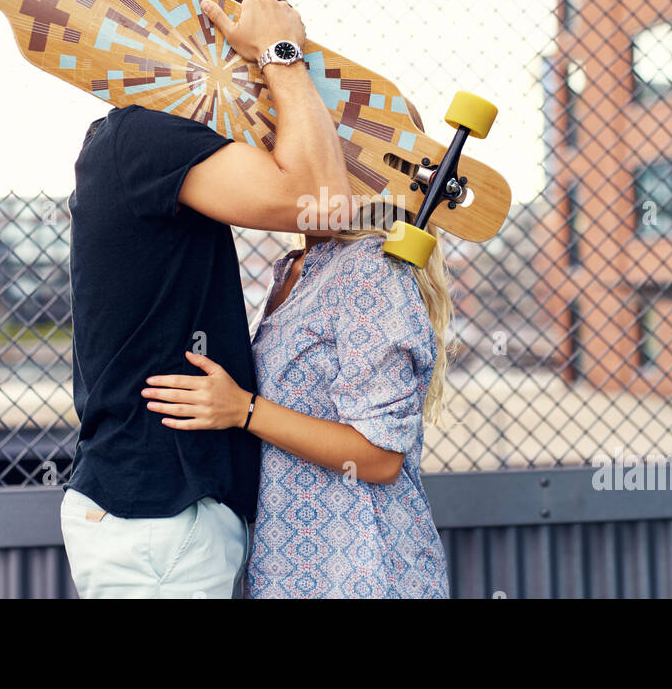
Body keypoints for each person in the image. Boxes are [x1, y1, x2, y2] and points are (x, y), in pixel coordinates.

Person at [60, 0, 353, 599]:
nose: (273, 104)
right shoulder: (143, 140)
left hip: (163, 518)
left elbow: (342, 209)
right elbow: (324, 201)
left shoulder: (146, 151)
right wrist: (283, 54)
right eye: (261, 79)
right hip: (159, 522)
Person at [142, 112, 453, 599]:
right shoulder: (298, 266)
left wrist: (243, 409)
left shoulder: (369, 267)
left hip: (363, 568)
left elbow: (380, 457)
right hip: (298, 566)